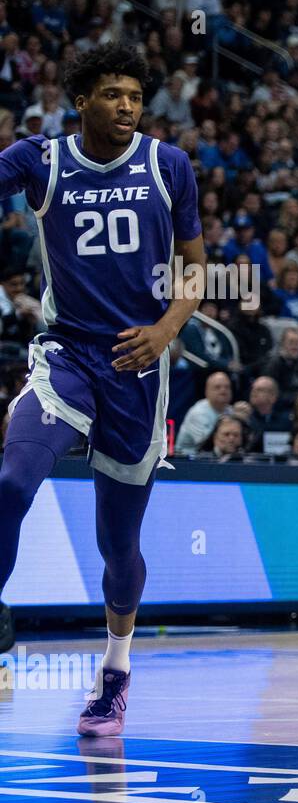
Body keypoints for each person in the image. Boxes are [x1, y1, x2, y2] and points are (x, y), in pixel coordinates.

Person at [0, 44, 204, 687]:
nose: (127, 107)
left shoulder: (168, 164)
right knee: (11, 482)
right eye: (113, 94)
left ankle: (115, 665)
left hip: (137, 365)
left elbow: (196, 269)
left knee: (118, 545)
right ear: (80, 99)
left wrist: (166, 329)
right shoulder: (41, 159)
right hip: (65, 353)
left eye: (136, 98)